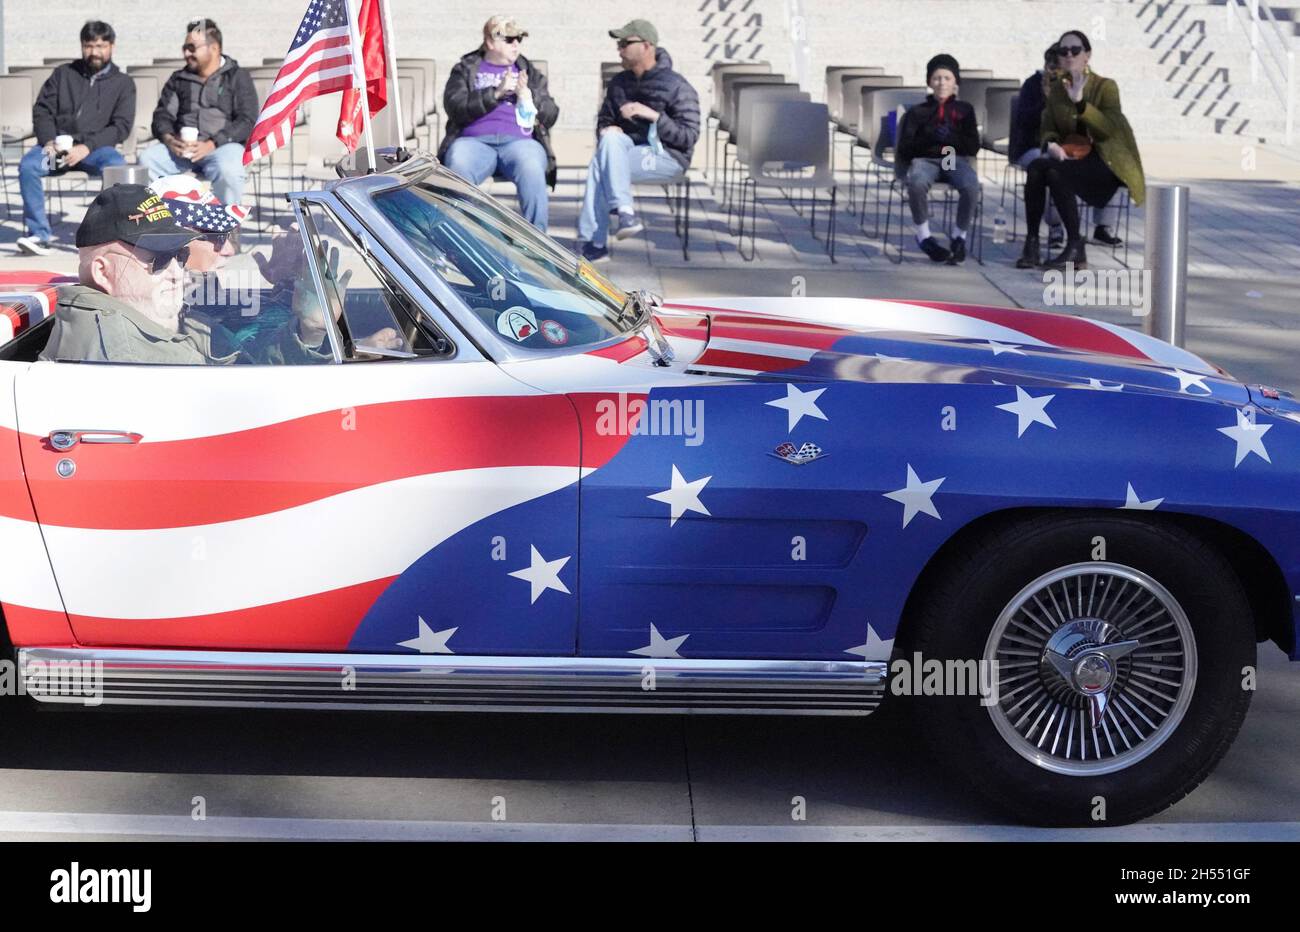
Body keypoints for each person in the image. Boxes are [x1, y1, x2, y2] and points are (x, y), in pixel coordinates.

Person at [39, 184, 333, 365]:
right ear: (103, 272)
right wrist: (307, 333)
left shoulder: (149, 316)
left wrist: (308, 329)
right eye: (160, 258)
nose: (177, 272)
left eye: (181, 256)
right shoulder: (130, 355)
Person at [1017, 30, 1145, 271]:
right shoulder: (1057, 88)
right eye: (1063, 51)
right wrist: (1051, 143)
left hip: (1106, 161)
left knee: (1055, 173)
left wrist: (1080, 102)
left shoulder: (1106, 87)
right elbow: (1048, 127)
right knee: (1038, 168)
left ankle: (1074, 245)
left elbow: (1109, 129)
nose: (1068, 55)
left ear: (1087, 55)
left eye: (1075, 50)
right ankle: (1034, 242)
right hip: (1072, 157)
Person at [576, 19, 700, 263]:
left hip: (668, 157)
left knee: (600, 166)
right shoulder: (619, 83)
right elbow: (604, 120)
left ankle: (593, 243)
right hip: (627, 152)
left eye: (624, 43)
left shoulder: (676, 85)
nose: (619, 49)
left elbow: (689, 137)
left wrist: (653, 116)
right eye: (618, 44)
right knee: (608, 146)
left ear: (646, 46)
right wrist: (607, 130)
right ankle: (624, 214)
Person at [16, 20, 134, 256]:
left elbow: (121, 126)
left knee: (116, 167)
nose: (95, 52)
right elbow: (42, 110)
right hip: (56, 150)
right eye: (89, 46)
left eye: (101, 46)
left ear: (112, 46)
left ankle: (105, 235)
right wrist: (49, 140)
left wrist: (87, 147)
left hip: (96, 150)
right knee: (29, 166)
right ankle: (39, 235)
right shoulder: (63, 74)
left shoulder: (123, 83)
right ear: (82, 46)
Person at [437, 15, 559, 231]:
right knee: (457, 165)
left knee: (532, 168)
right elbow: (454, 107)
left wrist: (530, 96)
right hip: (473, 142)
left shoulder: (529, 72)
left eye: (519, 40)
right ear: (491, 42)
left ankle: (538, 244)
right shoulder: (466, 69)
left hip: (520, 142)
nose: (516, 45)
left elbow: (551, 115)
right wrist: (496, 93)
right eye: (510, 40)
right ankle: (467, 237)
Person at [1010, 45, 1121, 255]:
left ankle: (1103, 226)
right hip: (1035, 146)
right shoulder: (1033, 85)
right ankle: (1055, 228)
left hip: (1074, 147)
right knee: (1051, 168)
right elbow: (1024, 122)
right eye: (1055, 66)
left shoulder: (1082, 86)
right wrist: (1046, 100)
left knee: (1109, 163)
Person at [137, 19, 259, 208]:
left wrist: (212, 143)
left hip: (222, 147)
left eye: (192, 48)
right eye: (185, 48)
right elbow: (162, 116)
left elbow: (247, 120)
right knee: (147, 160)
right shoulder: (179, 79)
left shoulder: (236, 77)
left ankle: (227, 228)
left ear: (214, 48)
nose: (186, 53)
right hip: (181, 150)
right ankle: (166, 223)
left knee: (229, 169)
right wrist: (169, 139)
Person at [894, 53, 981, 264]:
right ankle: (924, 236)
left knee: (970, 185)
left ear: (955, 83)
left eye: (947, 78)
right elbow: (904, 148)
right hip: (926, 159)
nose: (942, 83)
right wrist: (928, 138)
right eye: (937, 78)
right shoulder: (918, 112)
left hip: (951, 157)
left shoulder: (964, 110)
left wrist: (952, 138)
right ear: (929, 82)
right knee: (917, 183)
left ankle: (959, 236)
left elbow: (973, 147)